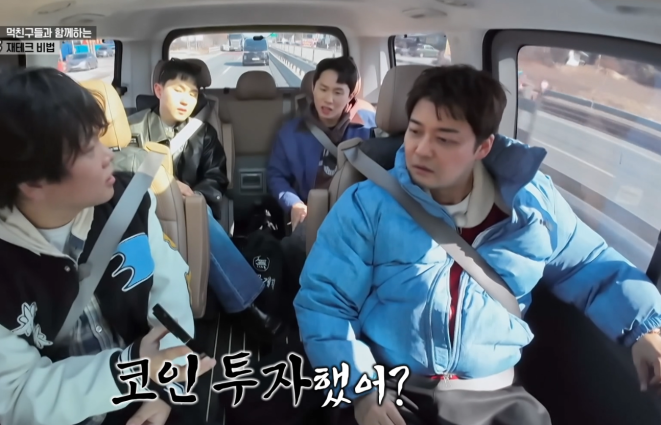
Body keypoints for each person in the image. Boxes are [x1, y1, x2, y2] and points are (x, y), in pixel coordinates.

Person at [294, 64, 661, 425]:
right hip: (392, 387)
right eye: (416, 131)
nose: (421, 149)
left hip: (494, 395)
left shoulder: (532, 206)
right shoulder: (369, 204)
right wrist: (361, 391)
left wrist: (646, 328)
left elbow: (590, 264)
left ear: (483, 146)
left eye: (445, 139)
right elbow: (325, 302)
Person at [0, 67, 216, 425]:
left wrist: (164, 387)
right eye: (88, 148)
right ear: (33, 180)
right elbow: (18, 396)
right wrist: (131, 370)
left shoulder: (129, 200)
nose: (108, 154)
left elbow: (168, 290)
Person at [127, 59, 283, 341]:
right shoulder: (133, 128)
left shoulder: (204, 133)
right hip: (141, 210)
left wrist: (194, 194)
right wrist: (163, 182)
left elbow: (216, 178)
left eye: (192, 93)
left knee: (199, 215)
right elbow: (119, 164)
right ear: (158, 90)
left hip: (189, 213)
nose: (185, 100)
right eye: (178, 90)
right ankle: (250, 305)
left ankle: (248, 304)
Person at [267, 57, 376, 248]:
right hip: (313, 215)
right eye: (323, 89)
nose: (328, 99)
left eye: (338, 92)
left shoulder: (370, 127)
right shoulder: (291, 133)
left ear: (350, 95)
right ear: (313, 87)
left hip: (359, 217)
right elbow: (276, 175)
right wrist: (294, 204)